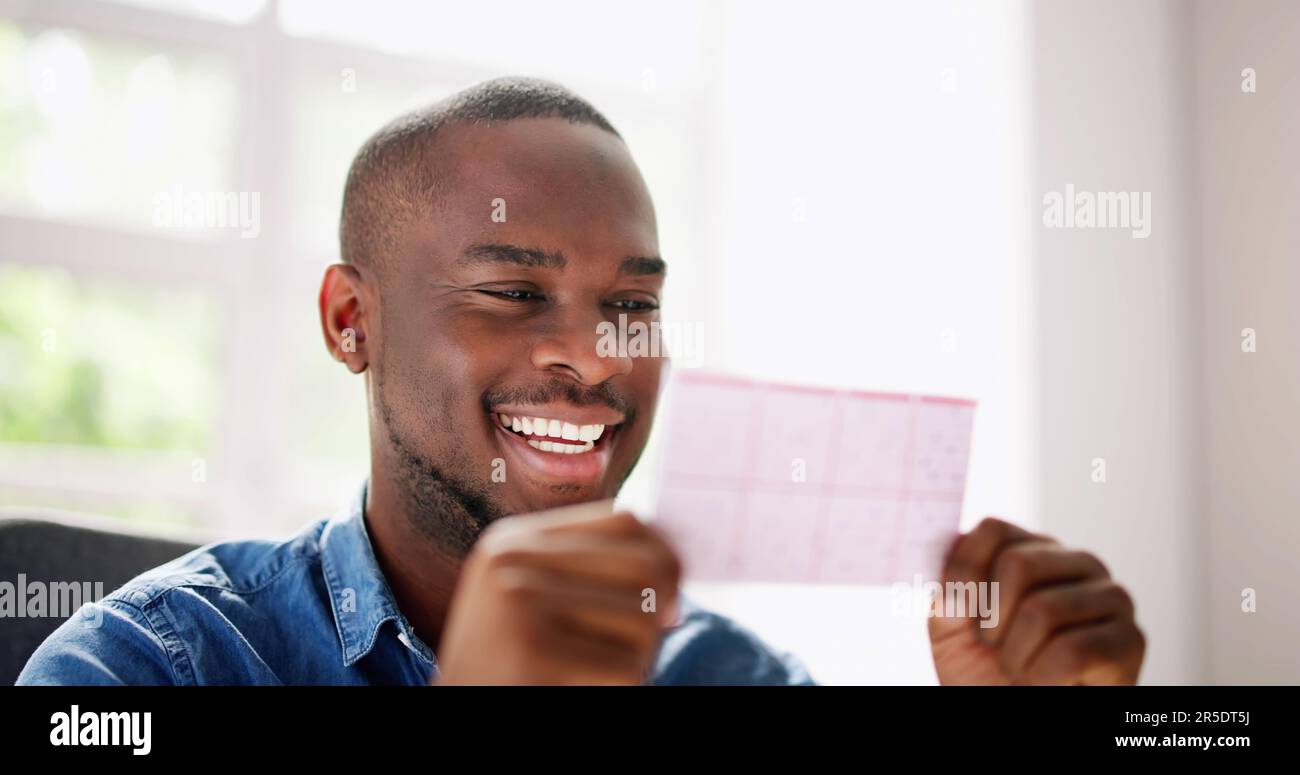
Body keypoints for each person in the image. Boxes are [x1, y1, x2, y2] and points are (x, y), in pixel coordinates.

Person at [18, 77, 1143, 685]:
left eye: (635, 305)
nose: (601, 355)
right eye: (512, 293)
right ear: (352, 321)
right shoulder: (140, 670)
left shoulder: (733, 675)